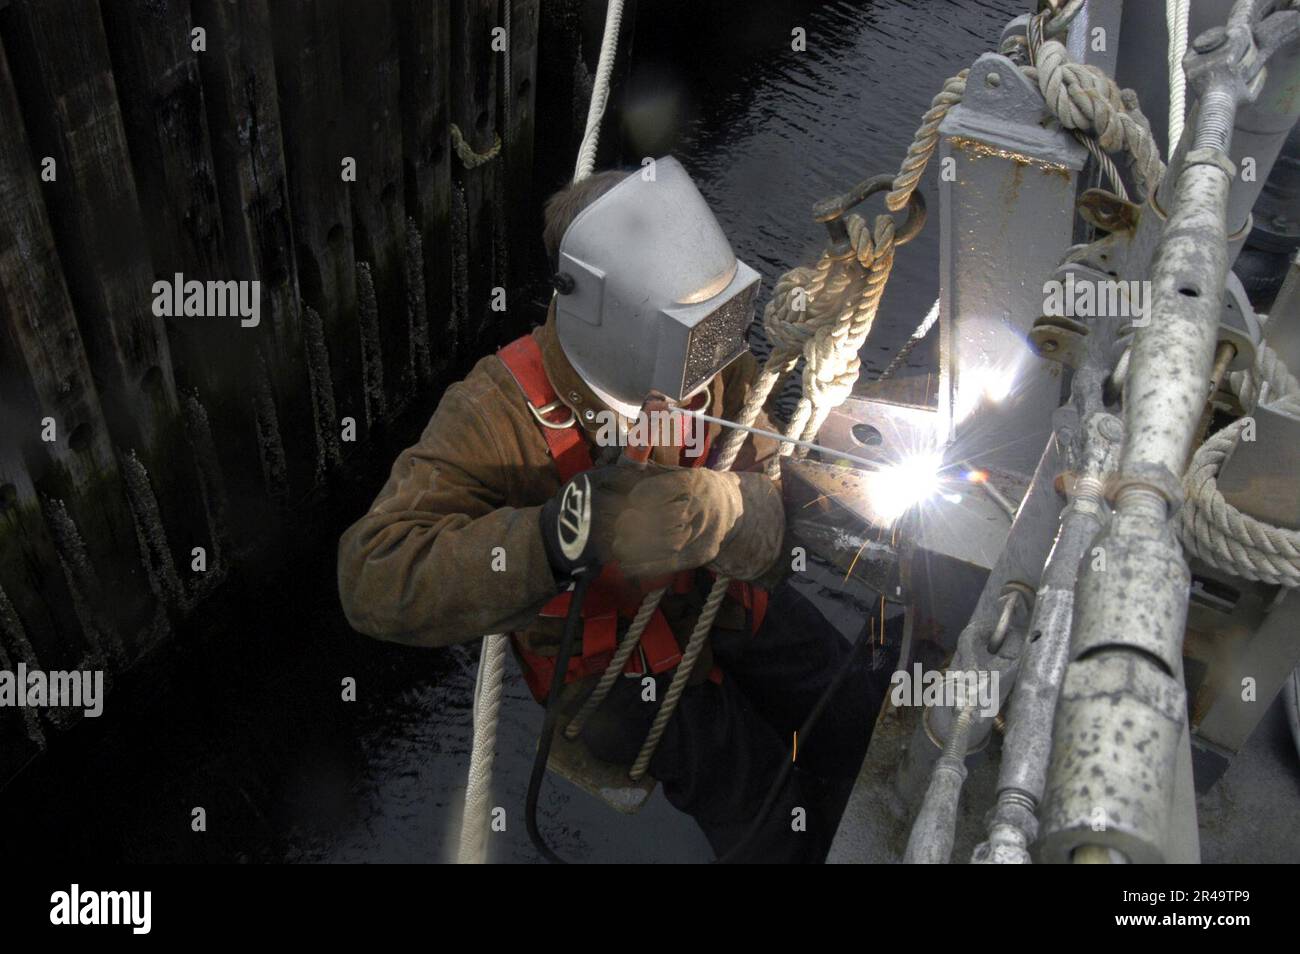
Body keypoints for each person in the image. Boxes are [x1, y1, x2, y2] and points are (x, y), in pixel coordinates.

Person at [338, 157, 882, 862]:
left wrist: (725, 513)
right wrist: (555, 536)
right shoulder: (494, 412)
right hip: (612, 662)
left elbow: (765, 489)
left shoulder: (710, 356)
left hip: (719, 590)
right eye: (694, 326)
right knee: (765, 811)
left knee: (849, 712)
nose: (717, 351)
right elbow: (373, 574)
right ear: (610, 305)